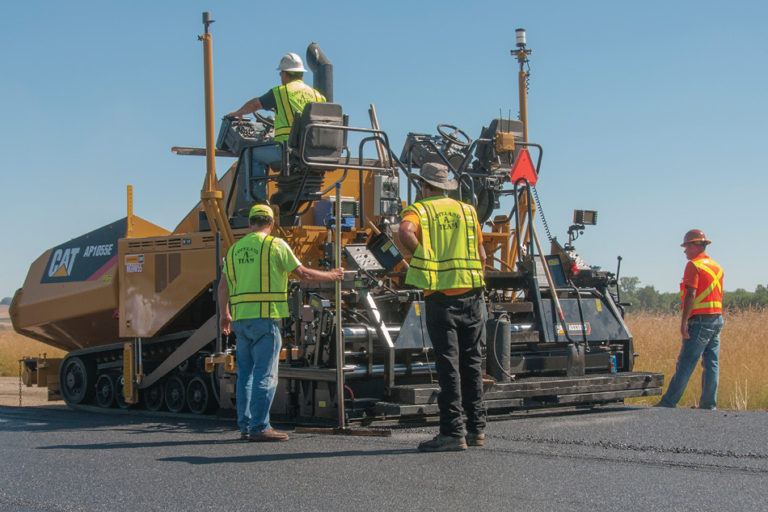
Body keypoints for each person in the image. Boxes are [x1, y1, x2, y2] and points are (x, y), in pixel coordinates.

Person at [218, 204, 343, 441]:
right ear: (272, 224)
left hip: (241, 321)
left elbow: (222, 287)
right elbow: (304, 274)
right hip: (266, 320)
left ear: (250, 223)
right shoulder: (275, 245)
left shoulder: (234, 250)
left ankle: (245, 426)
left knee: (245, 374)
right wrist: (332, 275)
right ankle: (260, 427)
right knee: (266, 374)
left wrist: (225, 314)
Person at [398, 162, 487, 452]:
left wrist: (424, 259)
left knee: (448, 365)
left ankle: (452, 432)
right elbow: (482, 254)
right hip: (473, 295)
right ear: (445, 186)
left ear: (424, 186)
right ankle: (476, 429)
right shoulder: (468, 211)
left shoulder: (419, 210)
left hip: (441, 297)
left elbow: (404, 232)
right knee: (472, 363)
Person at [226, 52, 326, 201]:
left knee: (250, 152)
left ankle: (257, 202)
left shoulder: (280, 92)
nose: (281, 78)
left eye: (281, 74)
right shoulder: (318, 96)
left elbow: (256, 104)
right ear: (301, 75)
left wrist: (239, 112)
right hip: (314, 153)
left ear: (285, 74)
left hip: (289, 152)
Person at [656, 229, 724, 409]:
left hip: (700, 321)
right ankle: (709, 405)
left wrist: (684, 321)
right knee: (711, 363)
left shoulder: (694, 265)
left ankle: (668, 403)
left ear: (695, 246)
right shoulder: (716, 267)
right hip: (717, 319)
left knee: (686, 362)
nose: (684, 251)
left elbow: (690, 294)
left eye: (686, 246)